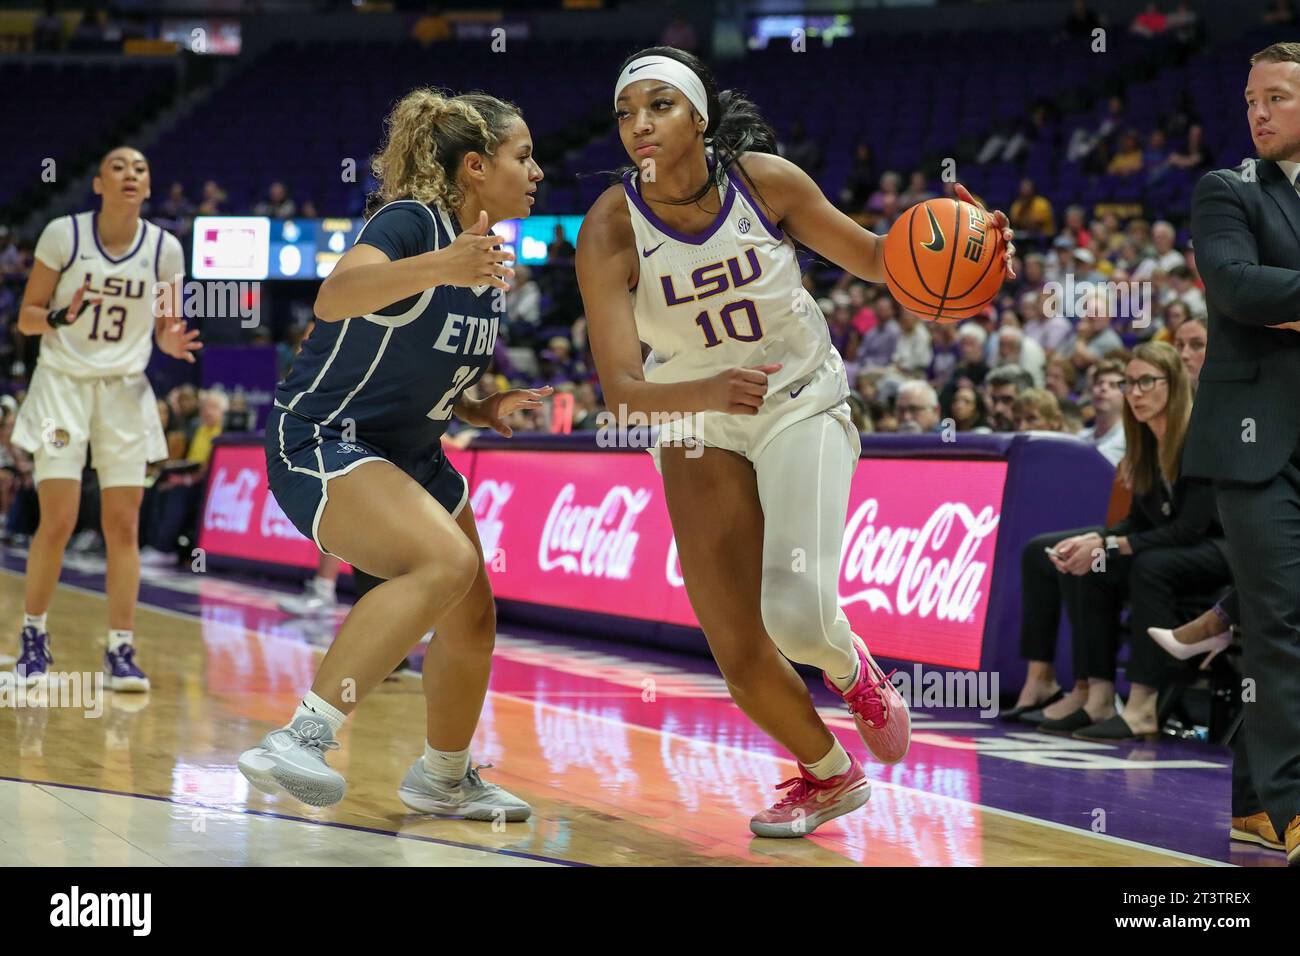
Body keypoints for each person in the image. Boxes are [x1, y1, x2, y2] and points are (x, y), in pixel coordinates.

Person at [578, 46, 1014, 838]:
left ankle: (852, 667)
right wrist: (709, 392)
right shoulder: (610, 225)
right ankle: (828, 775)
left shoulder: (764, 181)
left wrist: (969, 249)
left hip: (797, 400)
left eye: (659, 106)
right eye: (625, 112)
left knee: (797, 618)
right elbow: (622, 394)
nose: (639, 124)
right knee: (739, 650)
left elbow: (880, 260)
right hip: (692, 418)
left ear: (699, 116)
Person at [237, 89, 551, 819]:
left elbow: (419, 364)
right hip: (324, 439)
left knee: (473, 616)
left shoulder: (483, 257)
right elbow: (335, 296)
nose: (538, 172)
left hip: (411, 452)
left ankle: (443, 778)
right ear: (476, 166)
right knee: (443, 563)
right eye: (524, 156)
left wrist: (478, 406)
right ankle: (300, 739)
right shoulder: (412, 223)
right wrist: (440, 265)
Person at [10, 146, 200, 691]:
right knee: (59, 519)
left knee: (123, 525)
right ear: (98, 184)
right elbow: (26, 319)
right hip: (62, 386)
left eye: (140, 169)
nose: (131, 174)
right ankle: (33, 636)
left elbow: (166, 326)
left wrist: (171, 339)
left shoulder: (165, 249)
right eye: (119, 167)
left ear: (148, 185)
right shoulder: (64, 235)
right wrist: (60, 316)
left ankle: (120, 649)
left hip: (123, 390)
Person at [1181, 42, 1300, 865]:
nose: (1257, 112)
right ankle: (1295, 809)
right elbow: (1235, 287)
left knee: (1275, 626)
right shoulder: (1228, 189)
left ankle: (1257, 804)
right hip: (1256, 445)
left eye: (1277, 97)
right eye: (1251, 99)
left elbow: (1270, 292)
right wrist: (1264, 299)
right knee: (1280, 623)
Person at [1037, 343, 1230, 740]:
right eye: (1129, 384)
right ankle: (1098, 696)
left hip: (1222, 552)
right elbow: (1137, 522)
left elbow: (1191, 528)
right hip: (1176, 549)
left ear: (1173, 384)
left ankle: (1143, 705)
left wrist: (1112, 545)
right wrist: (1097, 539)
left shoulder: (1200, 437)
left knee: (1148, 565)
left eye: (1146, 382)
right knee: (1091, 565)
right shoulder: (1144, 442)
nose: (1135, 393)